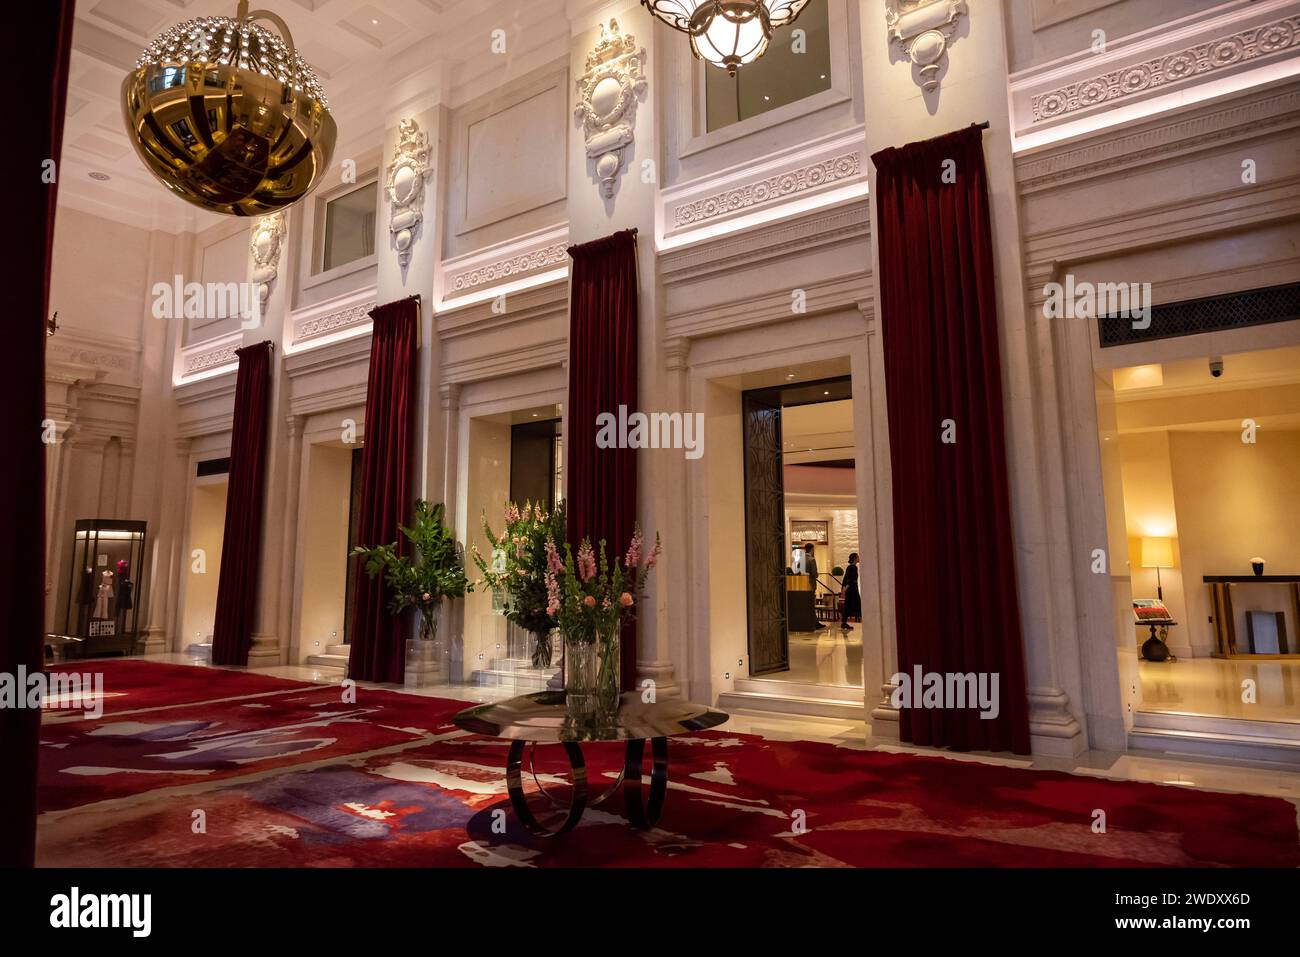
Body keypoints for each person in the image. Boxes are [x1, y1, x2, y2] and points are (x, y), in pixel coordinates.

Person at [840, 552, 861, 631]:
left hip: (851, 589)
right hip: (852, 590)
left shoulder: (850, 567)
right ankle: (844, 623)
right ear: (855, 558)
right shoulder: (853, 567)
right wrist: (846, 587)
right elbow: (850, 578)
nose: (859, 558)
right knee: (854, 606)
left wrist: (843, 587)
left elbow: (845, 578)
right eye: (857, 557)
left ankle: (844, 622)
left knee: (848, 606)